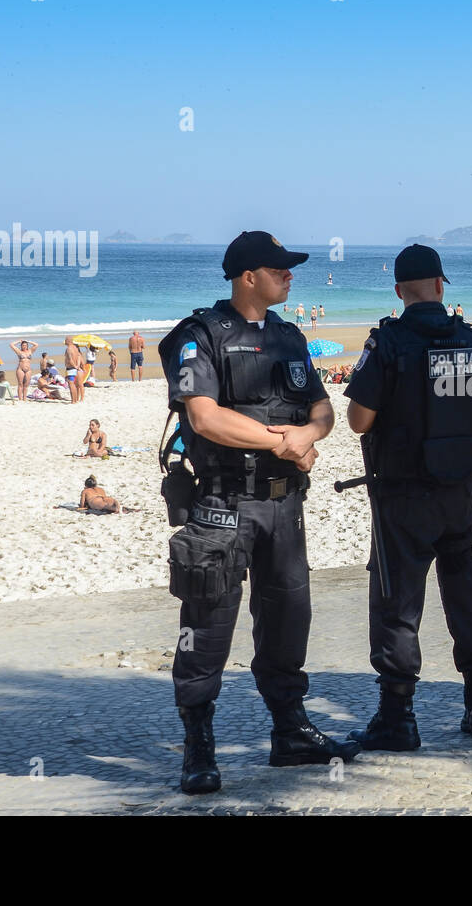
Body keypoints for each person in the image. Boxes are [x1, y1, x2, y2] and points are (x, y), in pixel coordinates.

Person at [158, 229, 358, 794]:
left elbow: (322, 406)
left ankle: (290, 732)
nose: (290, 275)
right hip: (222, 505)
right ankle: (198, 746)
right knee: (207, 625)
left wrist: (310, 434)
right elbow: (205, 418)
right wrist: (282, 441)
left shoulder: (291, 337)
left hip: (284, 506)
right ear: (249, 276)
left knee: (288, 621)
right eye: (279, 269)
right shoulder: (199, 336)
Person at [342, 243, 472, 750]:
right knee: (470, 595)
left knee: (398, 605)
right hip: (462, 493)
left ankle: (398, 717)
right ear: (440, 286)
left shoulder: (388, 344)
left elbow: (357, 421)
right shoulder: (471, 341)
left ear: (398, 292)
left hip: (403, 497)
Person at [63, 337, 84, 404]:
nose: (65, 341)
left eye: (65, 340)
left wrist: (75, 366)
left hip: (71, 368)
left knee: (71, 384)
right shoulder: (75, 348)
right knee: (74, 384)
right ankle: (75, 399)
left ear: (69, 341)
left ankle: (73, 400)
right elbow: (78, 357)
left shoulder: (69, 349)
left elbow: (70, 359)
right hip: (74, 368)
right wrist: (77, 365)